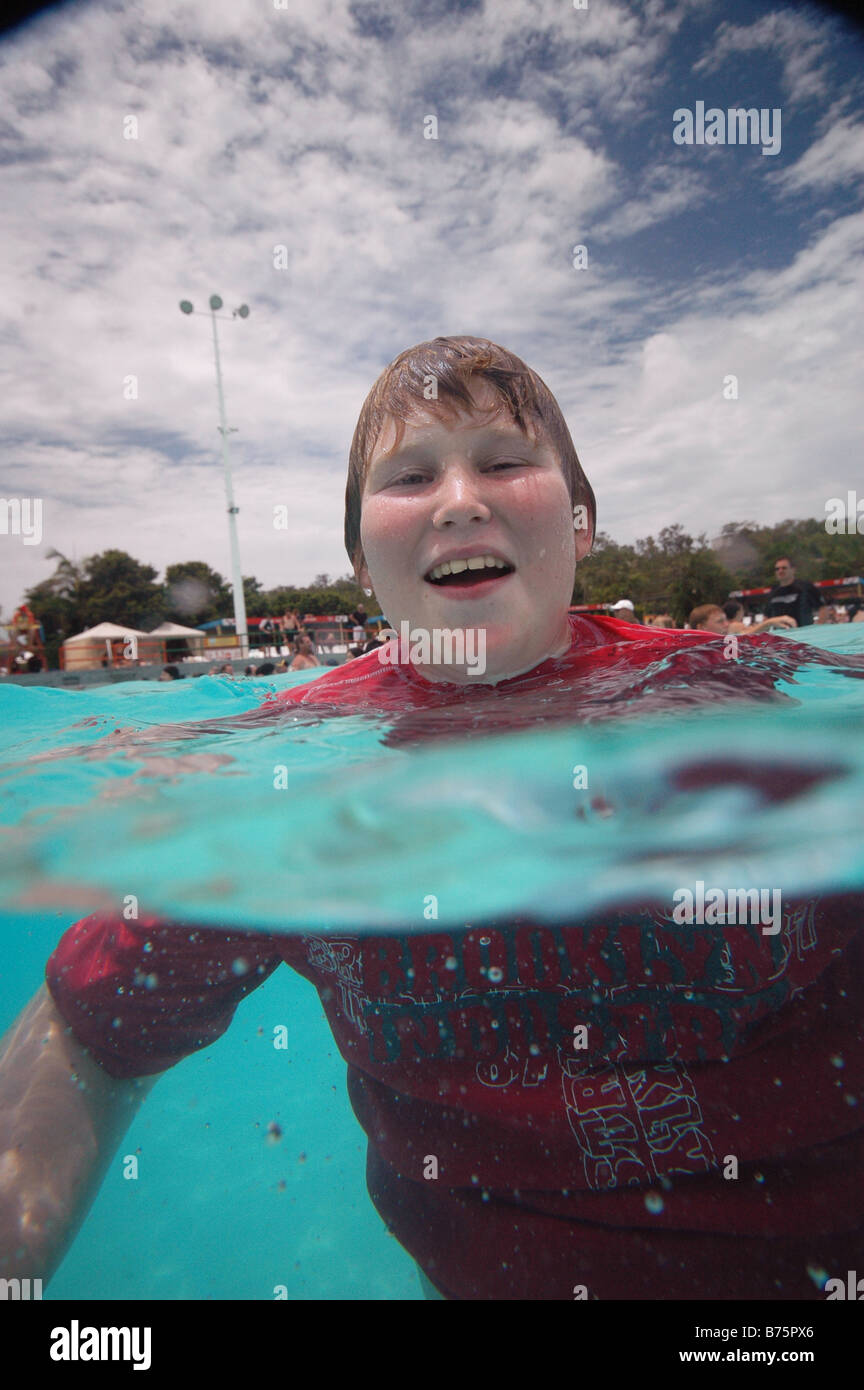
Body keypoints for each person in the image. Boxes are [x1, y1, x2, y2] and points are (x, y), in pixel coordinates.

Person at [3, 335, 863, 1303]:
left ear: (581, 524)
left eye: (505, 461)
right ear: (360, 562)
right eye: (411, 477)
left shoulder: (761, 703)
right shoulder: (282, 779)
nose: (461, 499)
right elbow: (92, 1027)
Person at [766, 557, 825, 627]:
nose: (780, 571)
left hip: (803, 634)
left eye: (784, 568)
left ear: (793, 570)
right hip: (780, 635)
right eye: (777, 569)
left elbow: (823, 608)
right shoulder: (773, 592)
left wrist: (819, 628)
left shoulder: (806, 587)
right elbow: (767, 616)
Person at [722, 600, 796, 635]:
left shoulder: (730, 625)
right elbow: (749, 634)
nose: (744, 612)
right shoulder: (735, 625)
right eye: (742, 610)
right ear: (738, 612)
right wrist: (769, 623)